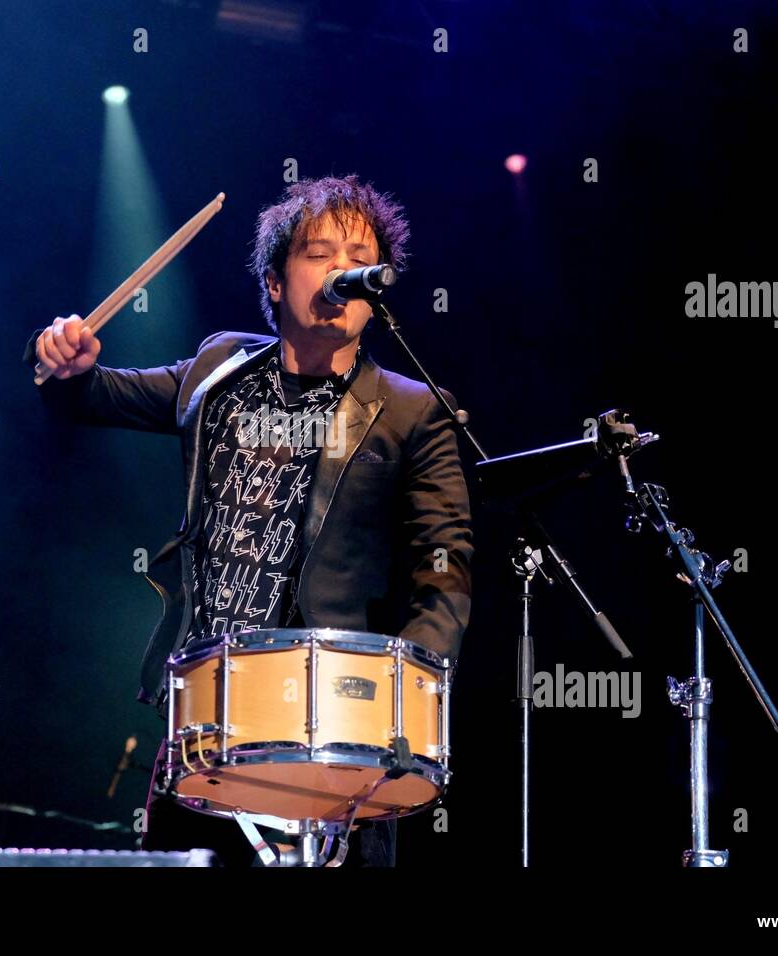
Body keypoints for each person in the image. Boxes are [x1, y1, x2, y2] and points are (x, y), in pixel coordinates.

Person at [23, 174, 473, 866]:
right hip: (205, 729)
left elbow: (443, 570)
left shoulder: (414, 410)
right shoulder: (217, 370)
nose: (343, 268)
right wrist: (65, 361)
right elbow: (93, 395)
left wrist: (397, 703)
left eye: (359, 253)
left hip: (335, 734)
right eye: (320, 253)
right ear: (273, 281)